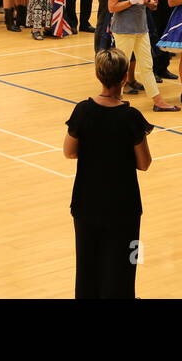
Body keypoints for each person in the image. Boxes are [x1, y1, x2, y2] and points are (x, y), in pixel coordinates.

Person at [64, 48, 153, 299]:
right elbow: (144, 163)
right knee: (121, 272)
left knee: (87, 269)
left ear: (97, 75)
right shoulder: (131, 117)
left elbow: (69, 152)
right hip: (122, 206)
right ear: (125, 77)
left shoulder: (82, 111)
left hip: (87, 202)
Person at [109, 0, 177, 112]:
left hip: (141, 27)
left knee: (147, 65)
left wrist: (149, 2)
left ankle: (158, 101)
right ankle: (116, 100)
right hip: (124, 29)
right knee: (121, 67)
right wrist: (133, 1)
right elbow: (112, 7)